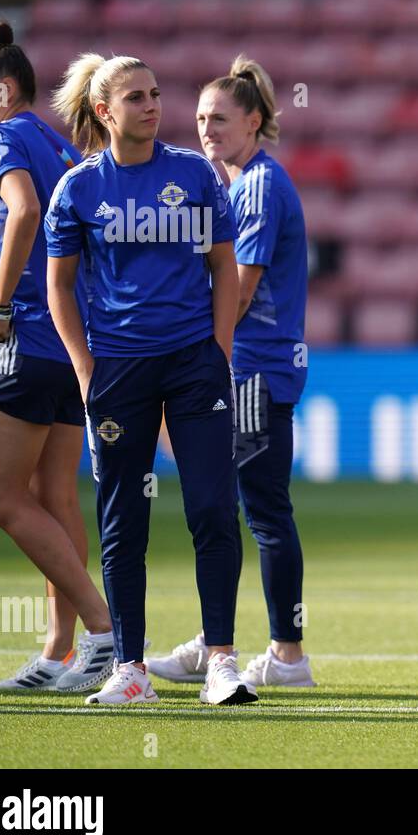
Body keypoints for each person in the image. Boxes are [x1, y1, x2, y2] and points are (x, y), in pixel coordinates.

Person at [45, 52, 253, 706]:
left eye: (156, 92)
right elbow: (58, 286)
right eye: (136, 96)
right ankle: (129, 670)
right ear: (105, 112)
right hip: (118, 371)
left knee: (213, 507)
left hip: (194, 365)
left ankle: (220, 659)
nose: (153, 104)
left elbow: (226, 266)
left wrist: (218, 350)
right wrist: (85, 366)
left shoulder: (192, 175)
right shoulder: (77, 189)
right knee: (122, 521)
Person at [0, 20, 116, 694]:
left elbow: (21, 213)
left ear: (3, 90)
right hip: (66, 339)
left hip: (23, 332)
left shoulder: (1, 137)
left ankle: (109, 634)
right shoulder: (56, 144)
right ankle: (60, 652)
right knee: (55, 495)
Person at [148, 56, 314, 689]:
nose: (206, 128)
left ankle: (286, 655)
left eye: (219, 118)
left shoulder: (259, 187)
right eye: (199, 119)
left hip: (252, 368)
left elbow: (238, 294)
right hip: (249, 365)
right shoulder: (238, 184)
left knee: (262, 509)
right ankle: (220, 641)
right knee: (238, 506)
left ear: (254, 120)